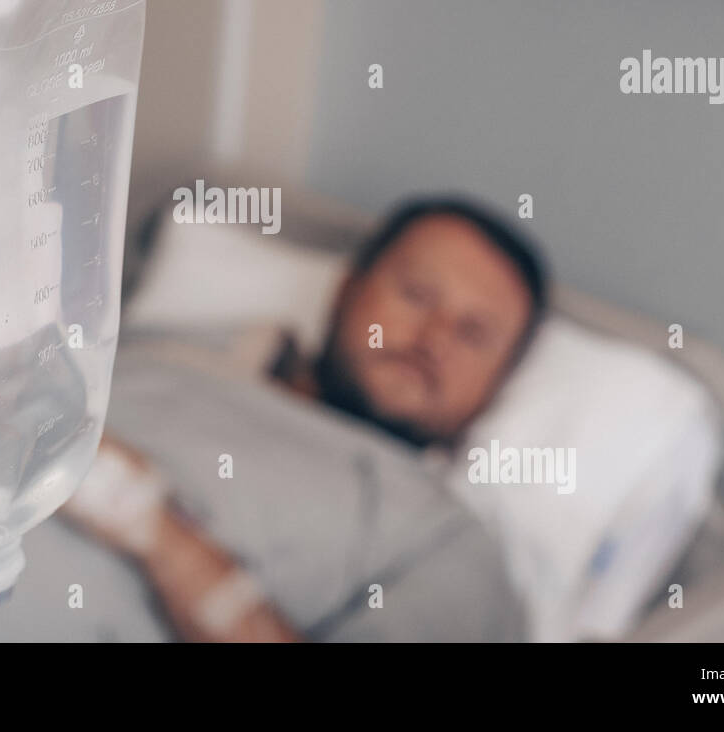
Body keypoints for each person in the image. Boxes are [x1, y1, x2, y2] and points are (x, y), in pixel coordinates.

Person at [61, 196, 549, 641]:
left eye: (474, 333)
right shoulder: (166, 352)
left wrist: (148, 523)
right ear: (344, 291)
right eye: (418, 295)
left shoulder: (449, 545)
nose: (433, 339)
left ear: (498, 388)